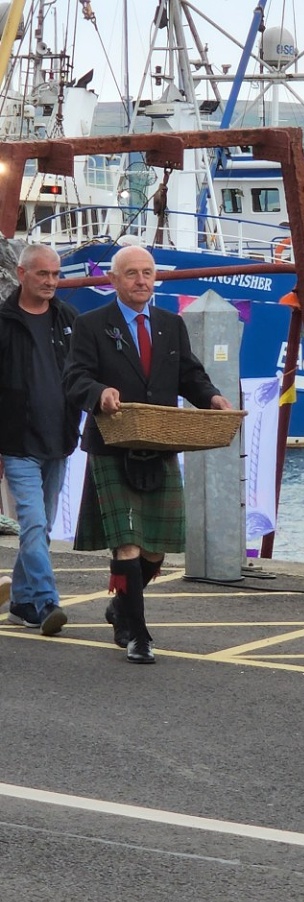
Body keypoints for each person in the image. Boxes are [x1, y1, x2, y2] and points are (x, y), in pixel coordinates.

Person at [63, 245, 234, 665]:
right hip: (112, 444)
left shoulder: (170, 324)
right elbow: (74, 378)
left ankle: (122, 605)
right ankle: (137, 634)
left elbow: (189, 374)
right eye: (132, 273)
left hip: (158, 444)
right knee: (128, 545)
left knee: (156, 548)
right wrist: (98, 393)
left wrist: (210, 397)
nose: (142, 280)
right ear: (114, 280)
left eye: (147, 273)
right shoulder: (90, 325)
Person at [0, 244, 80, 635]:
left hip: (58, 441)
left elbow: (84, 372)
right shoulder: (4, 321)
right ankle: (48, 600)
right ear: (22, 274)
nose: (51, 282)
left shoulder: (68, 318)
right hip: (17, 444)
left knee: (41, 526)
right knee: (31, 523)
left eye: (56, 275)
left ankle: (20, 603)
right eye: (43, 274)